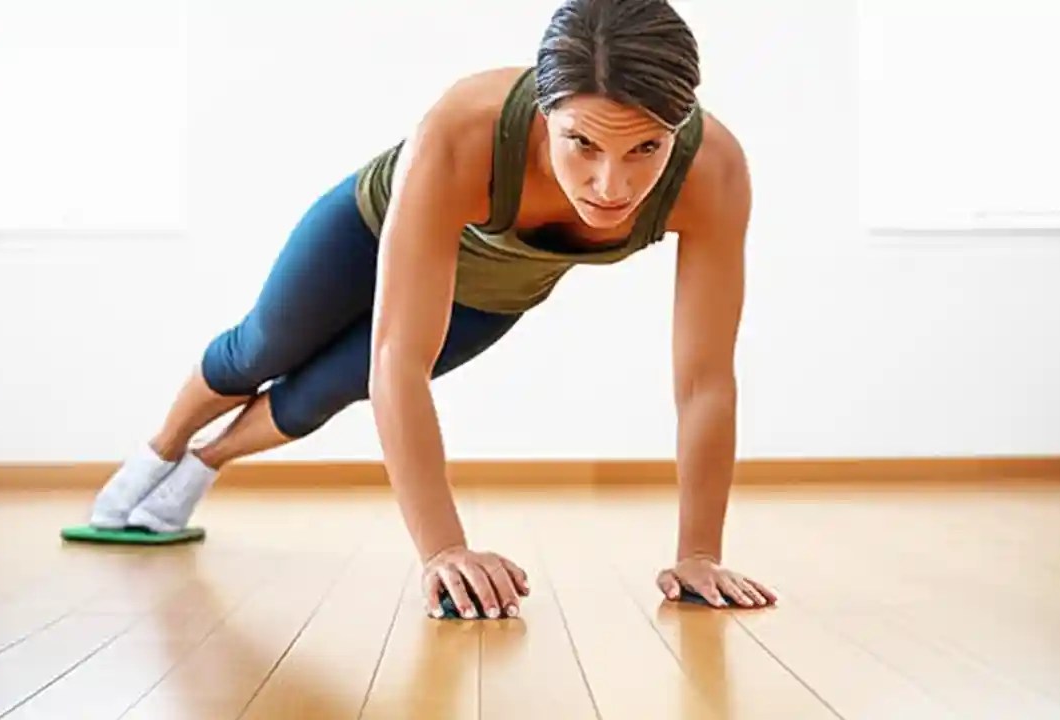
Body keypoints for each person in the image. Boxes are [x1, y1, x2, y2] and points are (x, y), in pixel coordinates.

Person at [86, 0, 777, 620]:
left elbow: (704, 380)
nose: (610, 184)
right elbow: (398, 359)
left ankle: (203, 463)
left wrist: (699, 554)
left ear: (680, 123)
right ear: (545, 111)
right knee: (261, 349)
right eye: (583, 144)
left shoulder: (712, 173)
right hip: (365, 231)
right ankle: (160, 450)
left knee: (323, 391)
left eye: (645, 148)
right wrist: (444, 548)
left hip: (487, 295)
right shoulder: (464, 128)